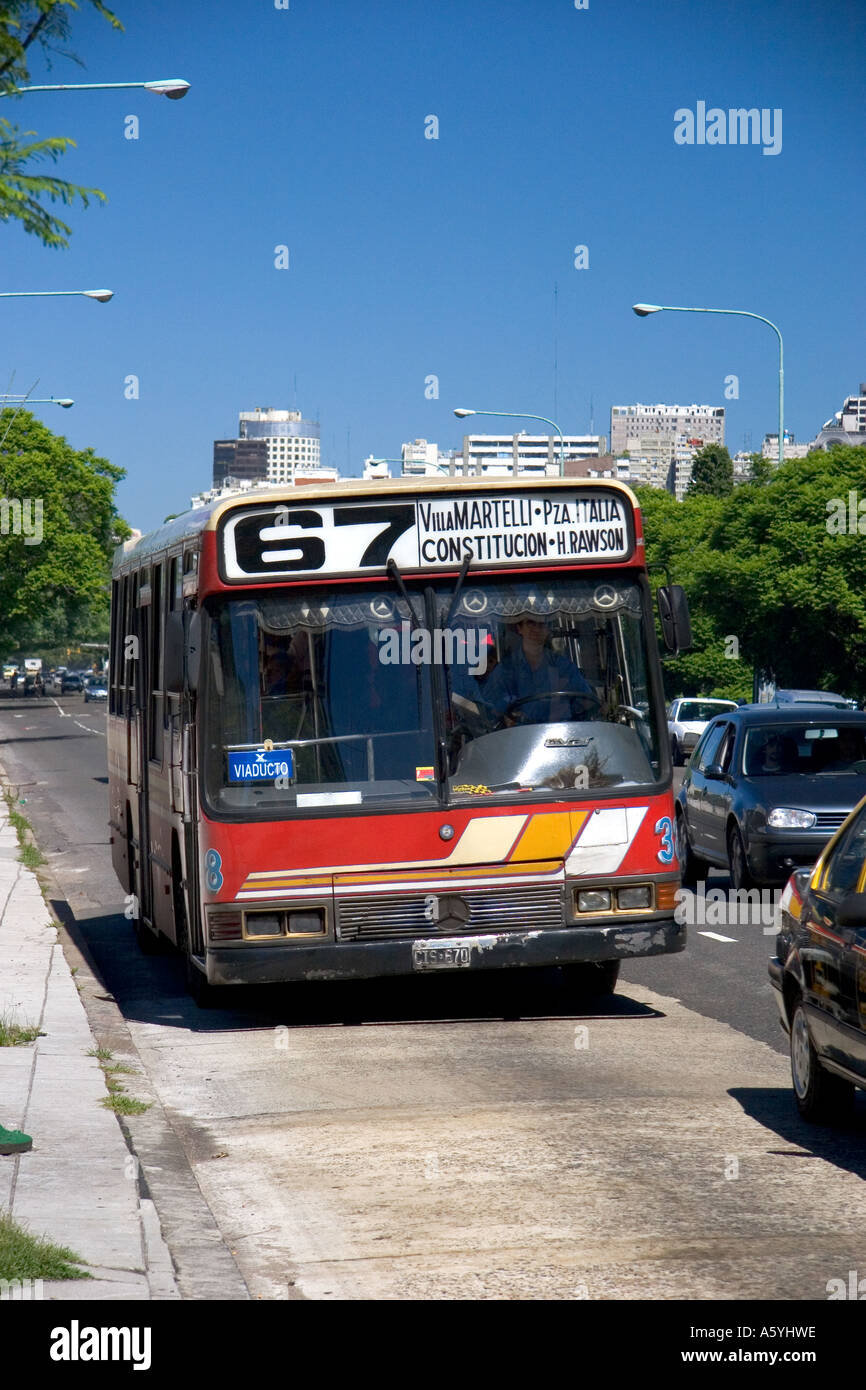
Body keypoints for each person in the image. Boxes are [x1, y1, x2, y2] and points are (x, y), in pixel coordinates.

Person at [482, 615, 597, 725]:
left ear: (547, 629)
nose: (537, 629)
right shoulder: (506, 669)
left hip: (562, 735)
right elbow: (489, 709)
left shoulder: (563, 667)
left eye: (541, 624)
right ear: (519, 628)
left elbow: (586, 701)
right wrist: (505, 715)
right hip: (519, 738)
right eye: (531, 623)